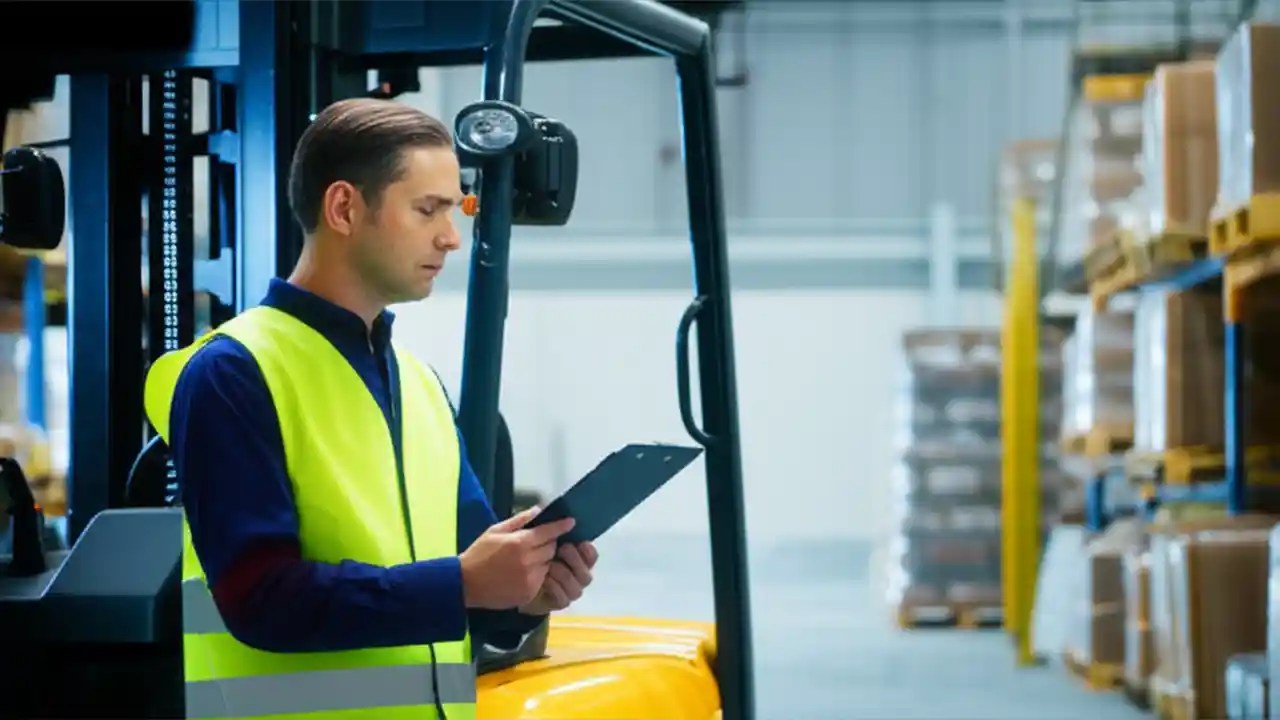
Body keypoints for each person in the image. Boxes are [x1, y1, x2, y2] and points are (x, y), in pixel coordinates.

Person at [141, 98, 597, 720]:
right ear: (344, 208)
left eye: (455, 208)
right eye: (427, 209)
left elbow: (459, 571)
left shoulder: (419, 383)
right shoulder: (234, 373)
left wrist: (524, 592)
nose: (451, 236)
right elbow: (259, 599)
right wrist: (463, 582)